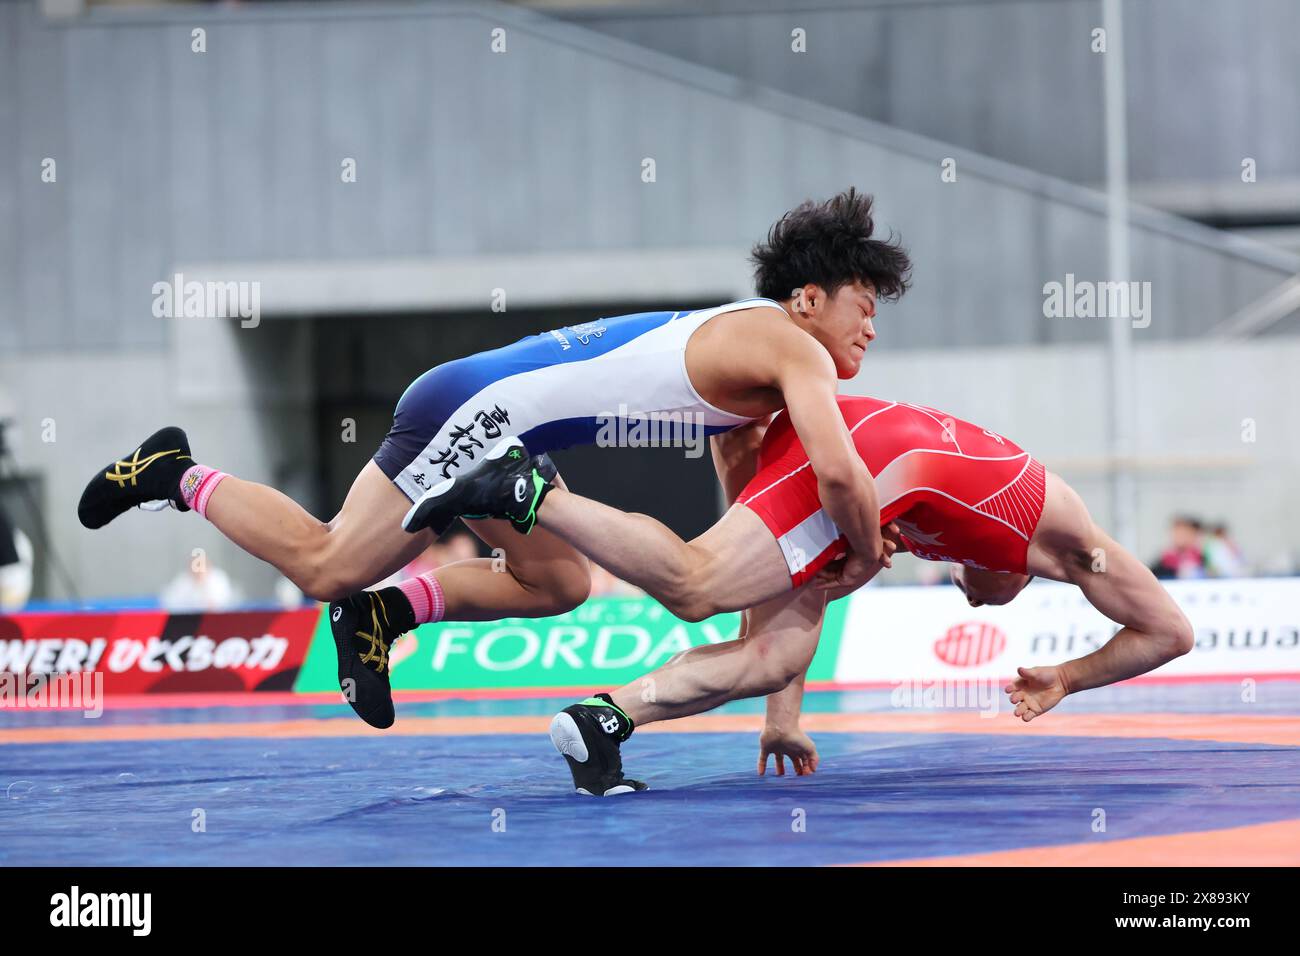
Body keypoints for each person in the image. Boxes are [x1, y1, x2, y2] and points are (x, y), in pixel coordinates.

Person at [76, 188, 912, 728]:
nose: (871, 329)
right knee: (327, 564)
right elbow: (839, 475)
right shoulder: (791, 346)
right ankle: (173, 473)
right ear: (809, 298)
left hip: (507, 426)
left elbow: (749, 530)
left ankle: (384, 615)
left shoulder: (756, 369)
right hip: (477, 411)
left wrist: (778, 698)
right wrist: (866, 548)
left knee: (560, 583)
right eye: (865, 306)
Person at [417, 395, 1195, 795]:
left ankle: (603, 720)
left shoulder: (936, 525)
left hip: (831, 438)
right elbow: (1171, 631)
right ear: (1026, 573)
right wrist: (1066, 678)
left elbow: (810, 592)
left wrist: (782, 720)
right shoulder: (1070, 538)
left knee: (770, 654)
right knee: (698, 585)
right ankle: (531, 491)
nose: (971, 598)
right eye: (983, 594)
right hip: (862, 453)